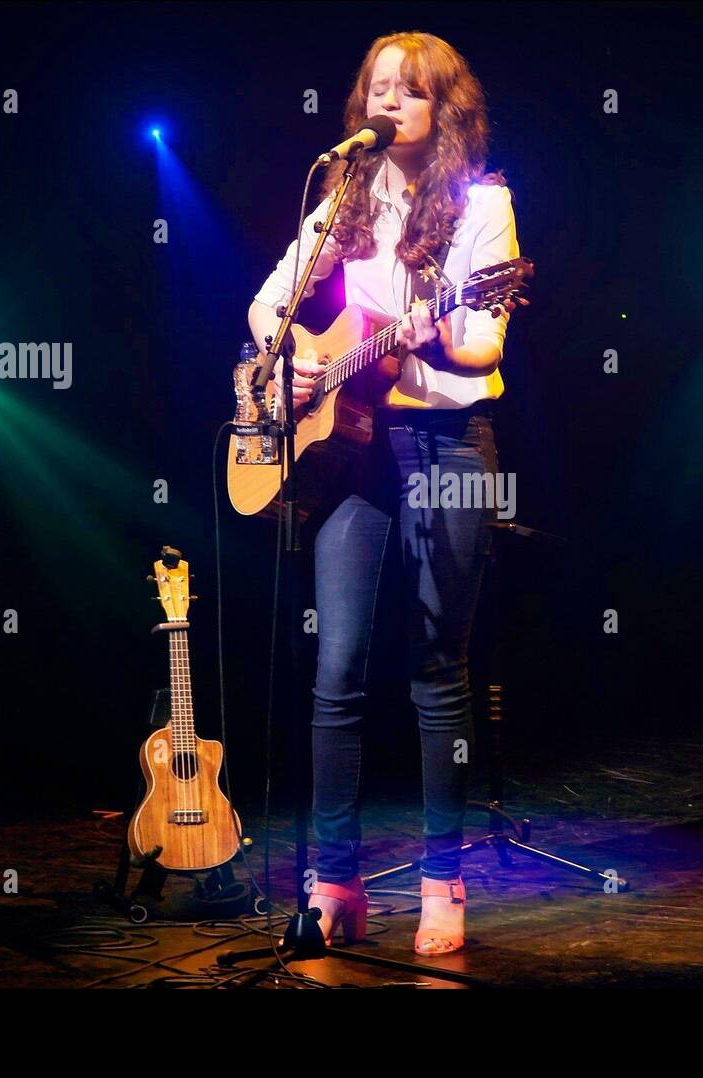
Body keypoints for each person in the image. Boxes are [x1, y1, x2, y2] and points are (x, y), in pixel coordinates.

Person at [247, 31, 520, 956]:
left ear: (446, 108)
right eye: (378, 88)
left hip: (447, 441)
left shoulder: (483, 203)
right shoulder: (344, 196)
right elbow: (269, 302)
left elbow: (484, 344)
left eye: (410, 90)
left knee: (438, 668)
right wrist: (289, 361)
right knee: (338, 670)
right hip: (352, 450)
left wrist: (434, 339)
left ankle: (444, 881)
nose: (389, 102)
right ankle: (334, 883)